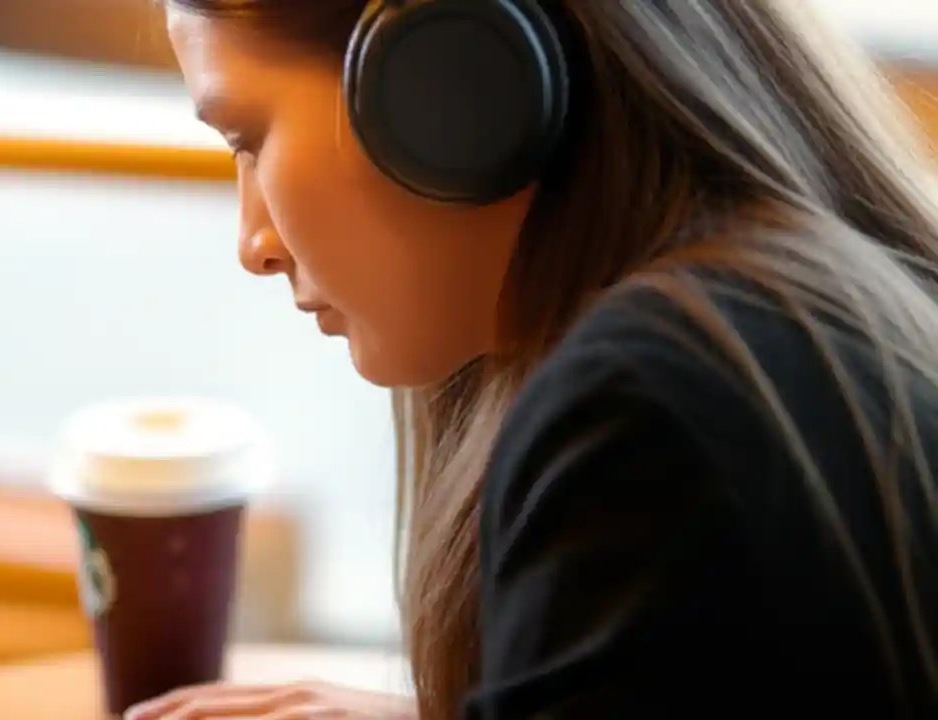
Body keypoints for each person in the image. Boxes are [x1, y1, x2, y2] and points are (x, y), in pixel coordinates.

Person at [126, 1, 938, 717]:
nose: (253, 245)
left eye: (248, 136)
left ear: (445, 76)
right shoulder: (757, 338)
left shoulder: (650, 406)